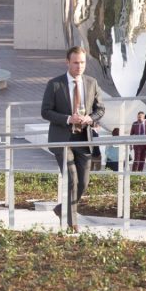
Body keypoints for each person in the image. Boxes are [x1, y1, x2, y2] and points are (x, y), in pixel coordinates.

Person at [42, 46, 106, 230]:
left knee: (83, 183)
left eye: (83, 62)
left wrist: (90, 118)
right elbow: (45, 111)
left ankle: (62, 208)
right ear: (68, 62)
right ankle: (72, 222)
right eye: (76, 62)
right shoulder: (55, 84)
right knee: (72, 179)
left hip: (83, 139)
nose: (80, 66)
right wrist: (68, 119)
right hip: (62, 139)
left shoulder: (91, 82)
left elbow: (100, 109)